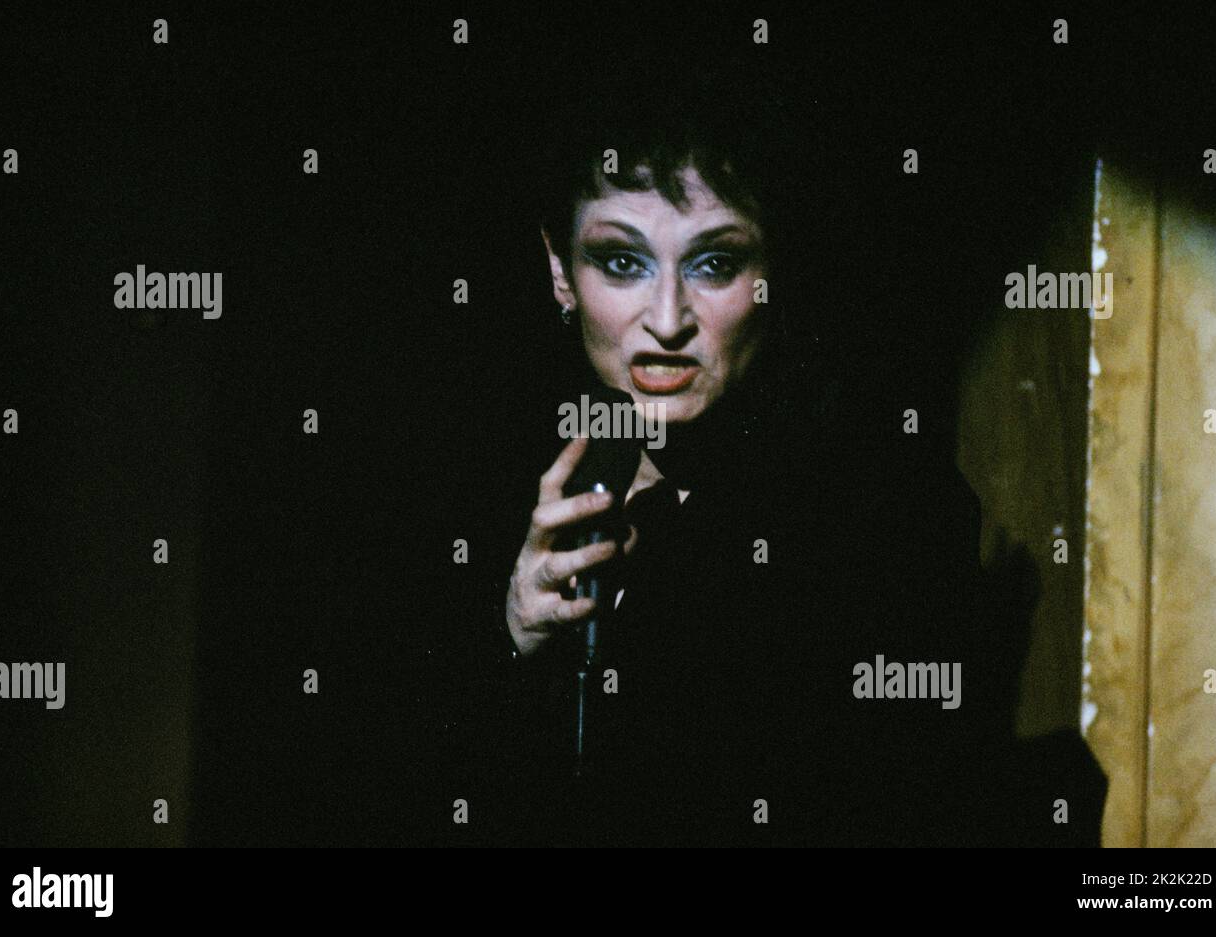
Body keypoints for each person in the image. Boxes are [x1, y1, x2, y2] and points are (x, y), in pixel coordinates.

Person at [457, 65, 1106, 847]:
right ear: (562, 274)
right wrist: (515, 638)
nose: (667, 320)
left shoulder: (883, 508)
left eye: (715, 263)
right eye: (622, 262)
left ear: (772, 276)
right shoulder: (508, 490)